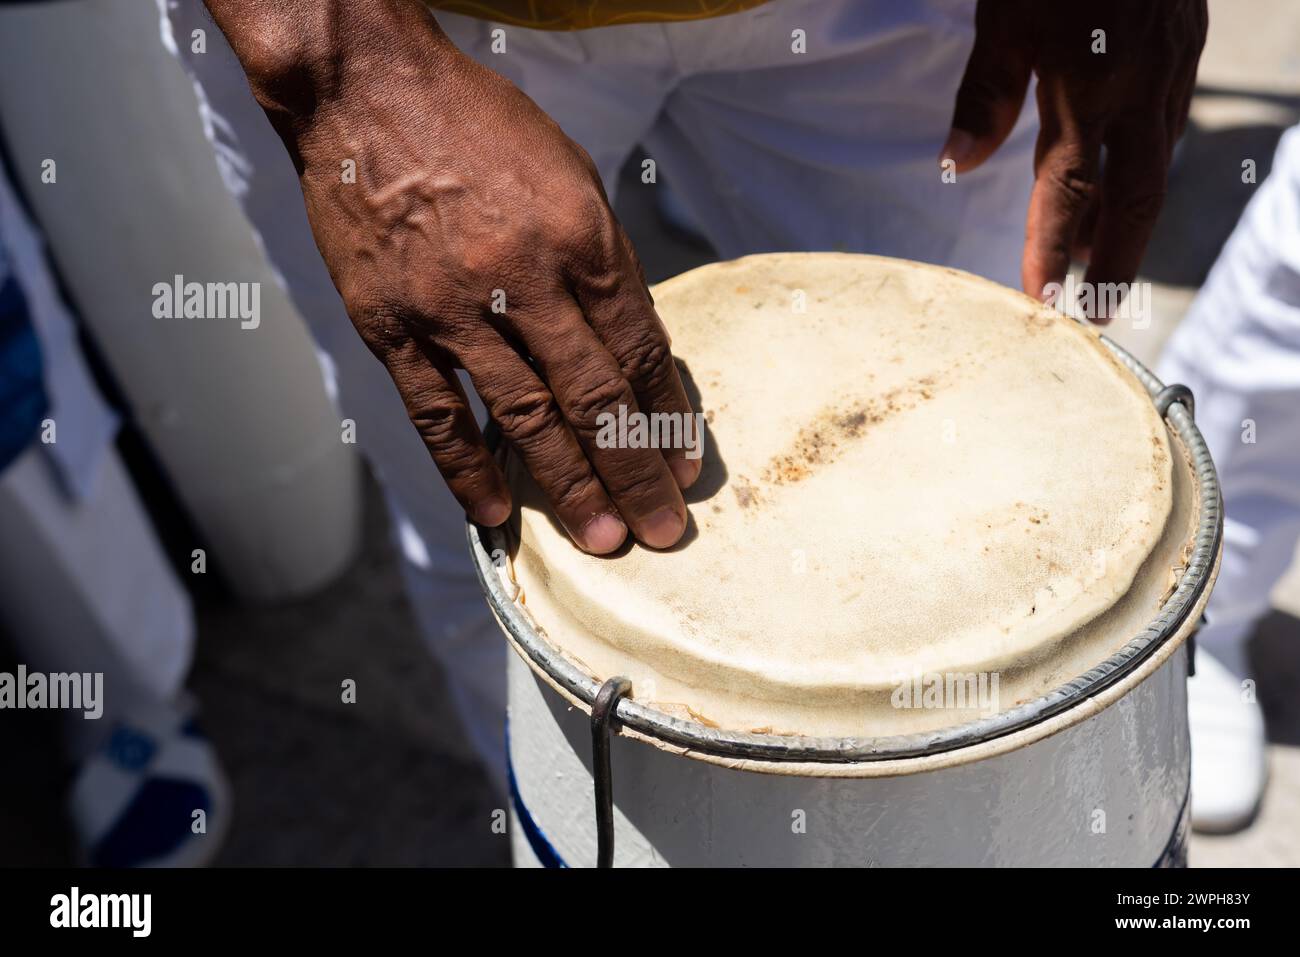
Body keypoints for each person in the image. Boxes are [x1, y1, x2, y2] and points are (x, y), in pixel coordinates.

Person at [175, 0, 1207, 793]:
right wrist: (336, 66)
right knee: (507, 534)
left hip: (890, 20)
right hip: (409, 42)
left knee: (995, 554)